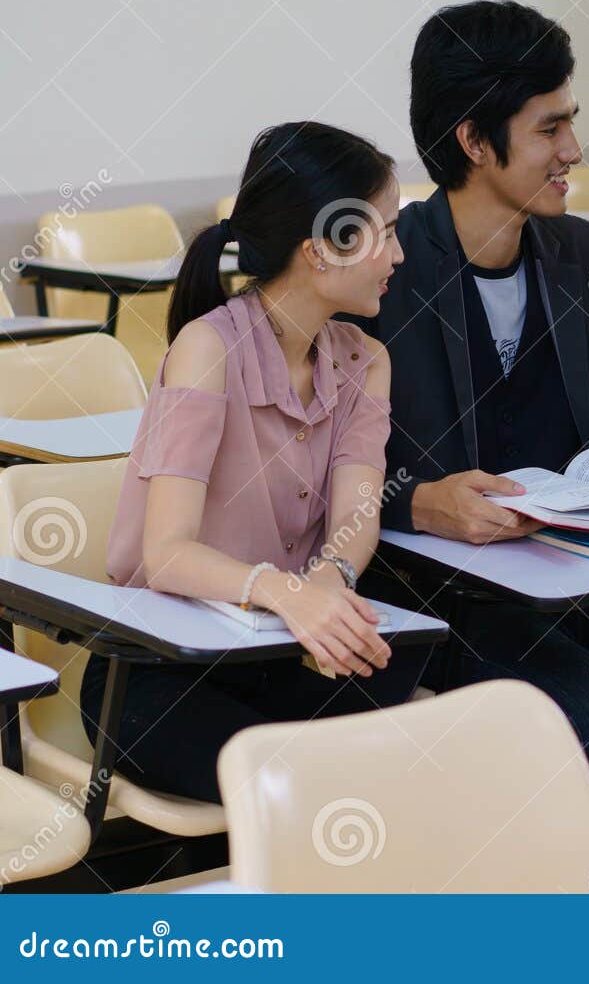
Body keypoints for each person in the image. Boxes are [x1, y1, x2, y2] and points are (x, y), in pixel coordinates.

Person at [357, 0, 589, 869]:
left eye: (571, 122)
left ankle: (562, 880)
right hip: (445, 600)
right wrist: (418, 504)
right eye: (550, 128)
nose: (574, 150)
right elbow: (320, 476)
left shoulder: (582, 254)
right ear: (474, 141)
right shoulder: (387, 270)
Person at [84, 121, 421, 803]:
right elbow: (169, 554)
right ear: (321, 251)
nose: (400, 254)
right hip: (162, 668)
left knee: (407, 677)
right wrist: (291, 593)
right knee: (309, 782)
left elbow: (358, 515)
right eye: (385, 231)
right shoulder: (206, 350)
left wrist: (329, 577)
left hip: (277, 650)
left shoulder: (366, 359)